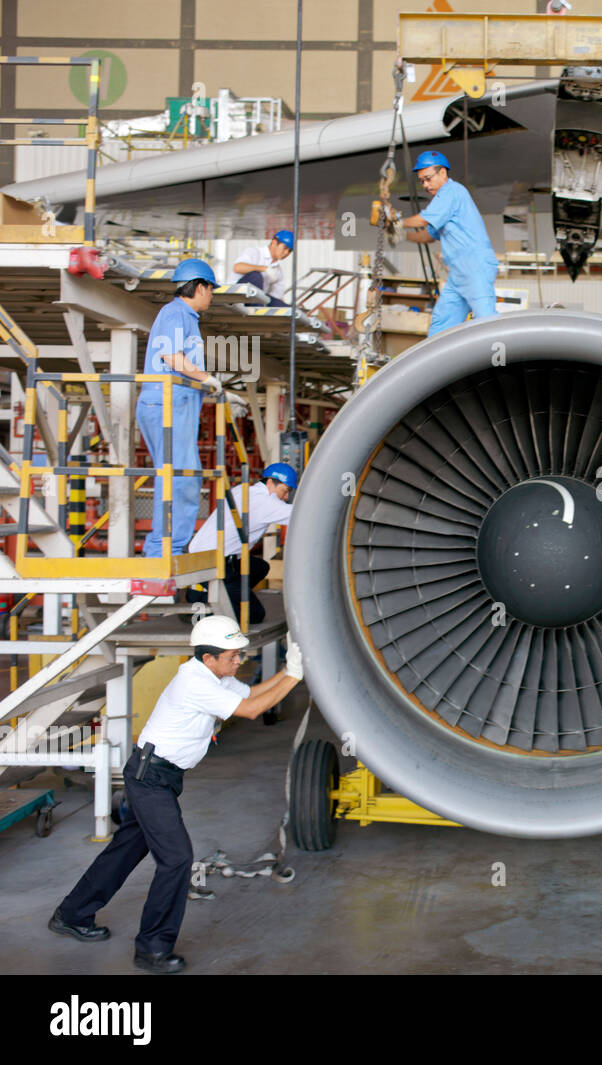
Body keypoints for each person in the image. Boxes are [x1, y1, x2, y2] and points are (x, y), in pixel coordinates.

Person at [48, 616, 304, 974]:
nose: (238, 662)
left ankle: (72, 913)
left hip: (160, 776)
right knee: (177, 858)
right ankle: (152, 948)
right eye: (233, 656)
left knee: (127, 849)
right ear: (209, 657)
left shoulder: (212, 676)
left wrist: (293, 668)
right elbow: (252, 710)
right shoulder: (193, 682)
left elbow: (251, 693)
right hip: (151, 777)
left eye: (239, 656)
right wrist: (294, 674)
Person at [138, 259, 223, 557]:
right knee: (182, 478)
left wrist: (208, 387)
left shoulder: (184, 317)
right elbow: (172, 357)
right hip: (168, 404)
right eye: (211, 289)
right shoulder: (176, 313)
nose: (212, 296)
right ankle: (164, 552)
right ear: (200, 287)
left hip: (173, 404)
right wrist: (207, 379)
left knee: (180, 475)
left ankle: (164, 549)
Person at [399, 150, 500, 337]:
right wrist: (400, 235)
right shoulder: (443, 203)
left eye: (428, 178)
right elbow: (427, 236)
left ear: (443, 173)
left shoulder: (452, 192)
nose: (425, 185)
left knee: (486, 322)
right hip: (458, 273)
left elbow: (422, 220)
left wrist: (396, 221)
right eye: (422, 181)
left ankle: (500, 362)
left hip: (475, 266)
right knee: (441, 323)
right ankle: (433, 364)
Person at [185, 463, 297, 625]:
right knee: (254, 615)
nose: (286, 497)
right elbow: (301, 513)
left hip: (203, 558)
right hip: (215, 564)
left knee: (259, 567)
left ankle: (224, 595)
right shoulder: (264, 502)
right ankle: (204, 612)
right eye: (284, 491)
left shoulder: (243, 491)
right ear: (271, 483)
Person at [228, 230, 295, 307]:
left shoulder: (277, 270)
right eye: (285, 248)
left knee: (287, 309)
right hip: (236, 294)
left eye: (290, 251)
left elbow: (277, 296)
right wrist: (264, 269)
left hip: (257, 299)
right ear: (274, 242)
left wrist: (283, 307)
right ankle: (257, 310)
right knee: (256, 276)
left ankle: (260, 307)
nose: (286, 253)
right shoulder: (254, 252)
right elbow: (237, 267)